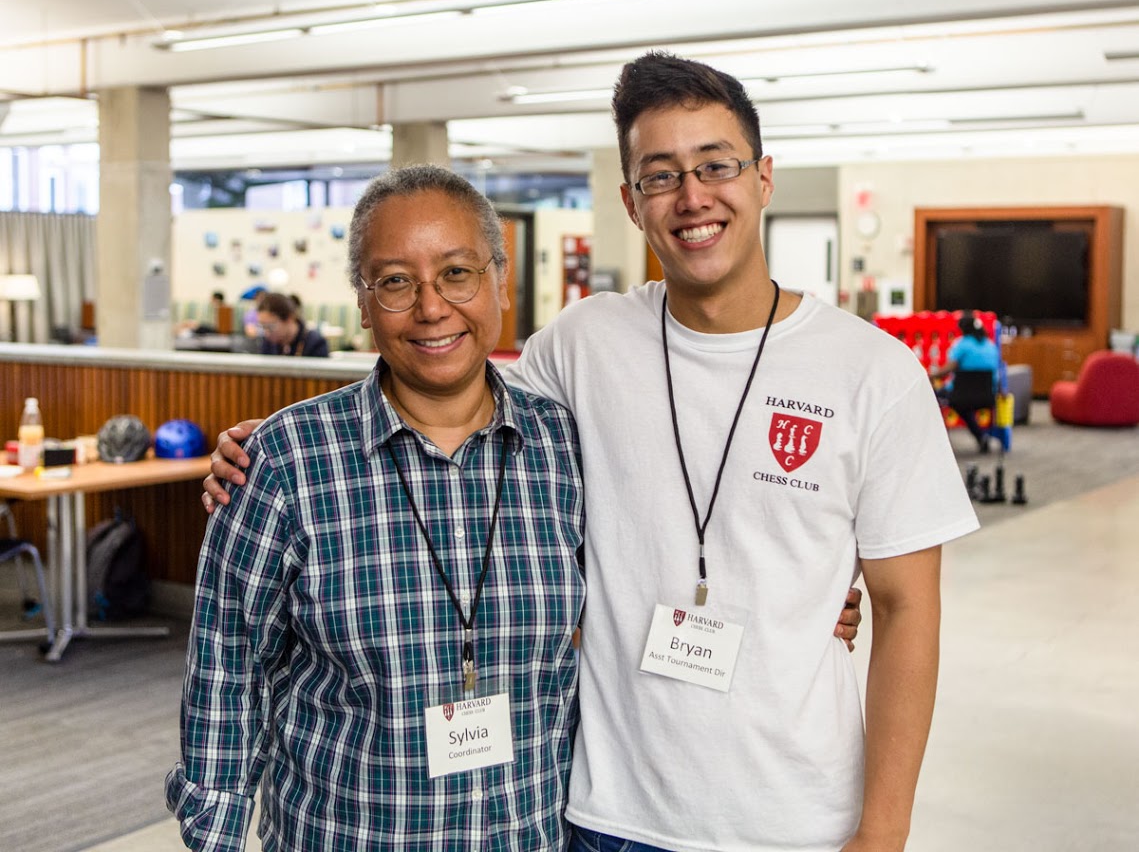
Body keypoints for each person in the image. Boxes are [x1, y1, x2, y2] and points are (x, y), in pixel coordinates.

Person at [206, 52, 965, 852]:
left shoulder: (872, 372)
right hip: (599, 815)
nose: (692, 197)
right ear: (631, 203)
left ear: (763, 177)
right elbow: (450, 405)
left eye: (715, 166)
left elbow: (907, 607)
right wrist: (267, 447)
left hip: (794, 818)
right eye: (661, 176)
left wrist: (881, 833)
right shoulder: (581, 345)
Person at [167, 165, 589, 850]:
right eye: (395, 281)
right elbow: (226, 674)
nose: (431, 307)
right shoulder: (283, 463)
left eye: (457, 273)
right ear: (362, 302)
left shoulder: (564, 449)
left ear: (500, 282)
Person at [930, 312, 1002, 452]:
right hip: (987, 397)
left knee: (936, 397)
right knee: (963, 404)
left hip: (960, 396)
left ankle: (936, 443)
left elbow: (948, 368)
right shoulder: (990, 346)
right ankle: (980, 437)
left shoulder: (962, 344)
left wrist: (931, 375)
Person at [255, 291, 330, 357]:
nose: (266, 333)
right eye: (263, 327)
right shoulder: (269, 342)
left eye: (270, 327)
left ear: (289, 319)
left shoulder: (316, 343)